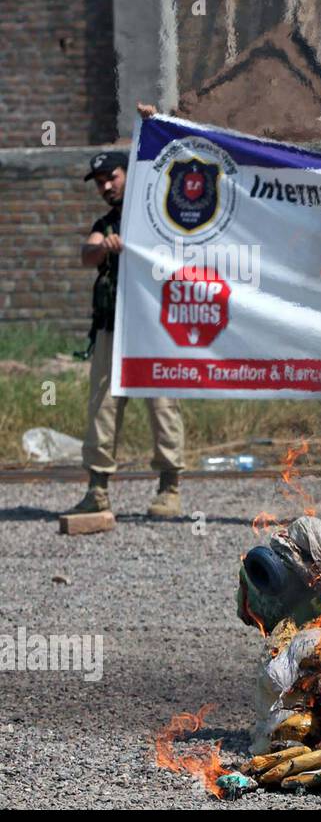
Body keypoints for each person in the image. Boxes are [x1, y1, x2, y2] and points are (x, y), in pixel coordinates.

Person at [68, 104, 186, 517]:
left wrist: (157, 125)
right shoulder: (108, 222)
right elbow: (86, 252)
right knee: (102, 406)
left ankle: (169, 487)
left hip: (153, 329)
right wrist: (103, 247)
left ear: (127, 175)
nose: (105, 186)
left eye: (111, 177)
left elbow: (174, 166)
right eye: (99, 182)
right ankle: (97, 489)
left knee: (162, 405)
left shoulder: (155, 212)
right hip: (113, 328)